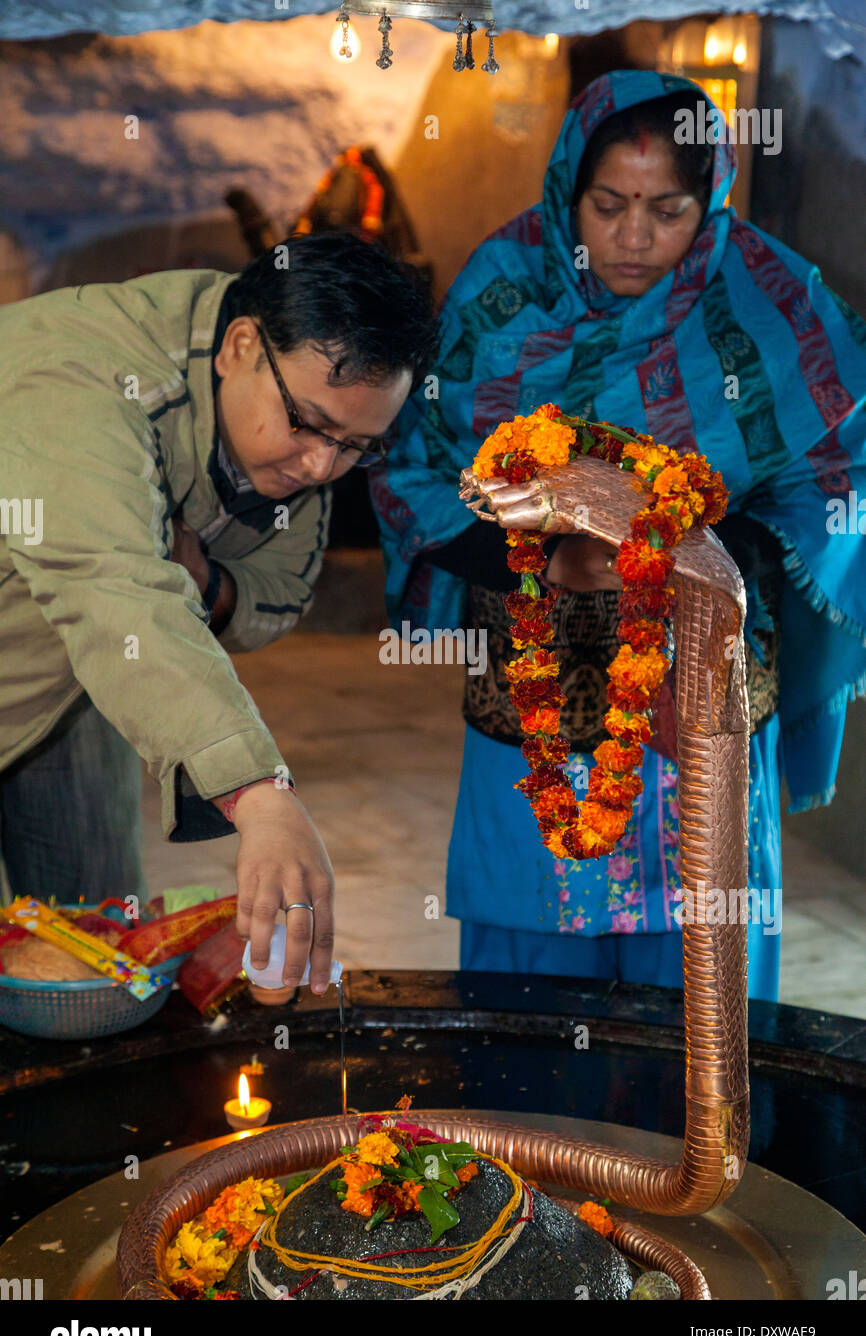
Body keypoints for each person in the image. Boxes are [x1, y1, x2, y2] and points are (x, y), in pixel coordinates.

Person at [370, 71, 866, 1002]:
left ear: (711, 199)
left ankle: (705, 1147)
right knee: (534, 991)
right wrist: (546, 552)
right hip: (538, 690)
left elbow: (844, 472)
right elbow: (408, 463)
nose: (634, 238)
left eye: (668, 209)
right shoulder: (502, 291)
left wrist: (699, 554)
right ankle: (541, 1145)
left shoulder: (769, 301)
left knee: (699, 975)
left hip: (701, 688)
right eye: (607, 205)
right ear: (569, 192)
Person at [0, 232, 438, 992]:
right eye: (307, 425)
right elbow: (117, 590)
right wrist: (257, 791)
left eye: (354, 447)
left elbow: (273, 596)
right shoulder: (83, 376)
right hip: (84, 628)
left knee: (94, 963)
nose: (318, 468)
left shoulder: (292, 408)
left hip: (68, 682)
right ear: (239, 345)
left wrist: (206, 583)